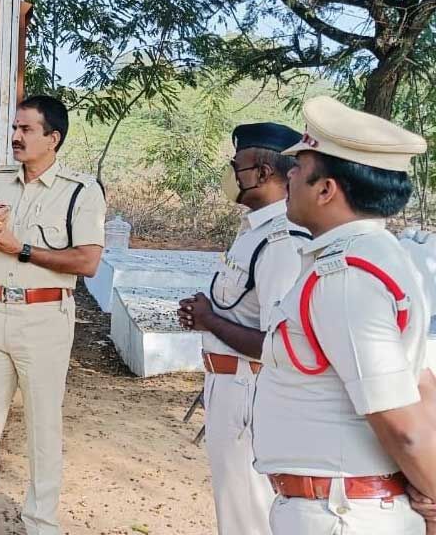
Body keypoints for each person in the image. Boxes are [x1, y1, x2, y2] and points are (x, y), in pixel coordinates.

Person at [252, 95, 436, 534]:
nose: (289, 175)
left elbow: (402, 424)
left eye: (299, 168)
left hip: (340, 512)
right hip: (341, 503)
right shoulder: (377, 257)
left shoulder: (347, 277)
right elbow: (422, 383)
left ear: (326, 190)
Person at [0, 95, 106, 535]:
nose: (15, 136)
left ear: (53, 138)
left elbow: (88, 261)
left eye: (27, 129)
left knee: (43, 426)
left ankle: (41, 523)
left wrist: (22, 249)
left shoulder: (80, 192)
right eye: (15, 128)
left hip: (44, 318)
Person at [177, 123, 308, 535]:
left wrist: (209, 320)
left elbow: (277, 344)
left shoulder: (282, 242)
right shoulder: (255, 231)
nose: (231, 174)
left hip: (249, 390)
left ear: (263, 173)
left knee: (247, 512)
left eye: (237, 166)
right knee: (234, 505)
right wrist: (206, 313)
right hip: (229, 384)